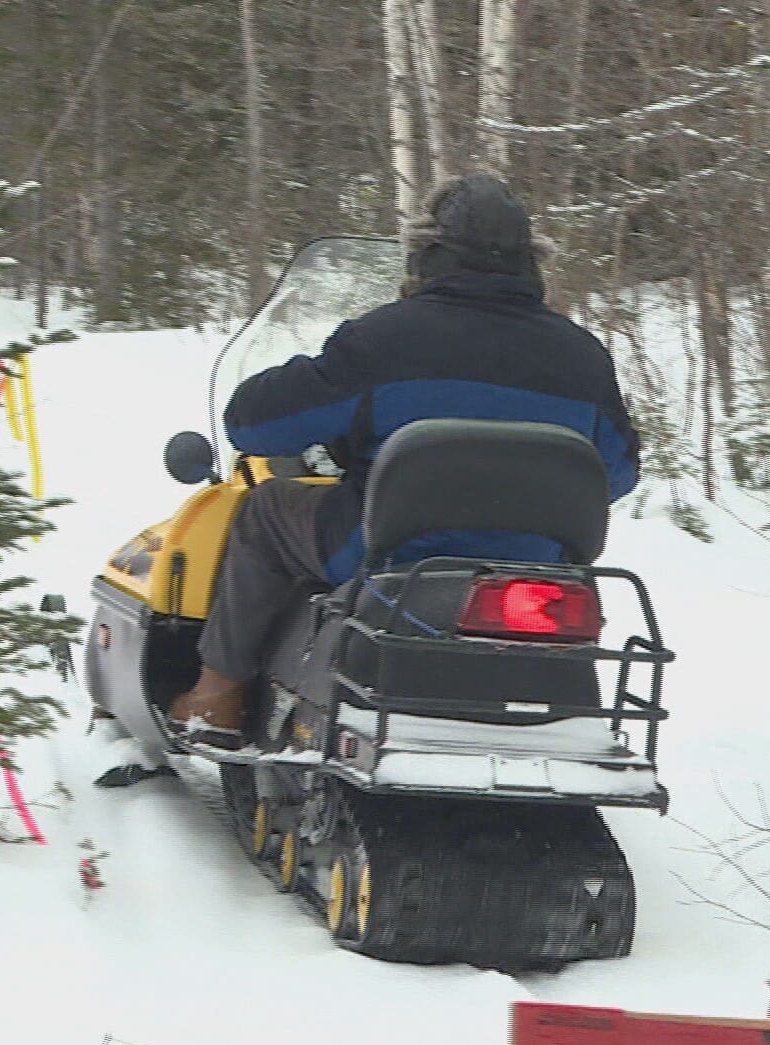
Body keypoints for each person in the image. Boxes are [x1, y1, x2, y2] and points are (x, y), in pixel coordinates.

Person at [167, 174, 642, 749]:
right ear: (531, 264)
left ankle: (218, 696)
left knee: (267, 509)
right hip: (532, 570)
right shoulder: (582, 356)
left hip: (385, 555)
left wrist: (310, 382)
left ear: (427, 256)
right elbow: (615, 473)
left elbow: (255, 425)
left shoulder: (383, 340)